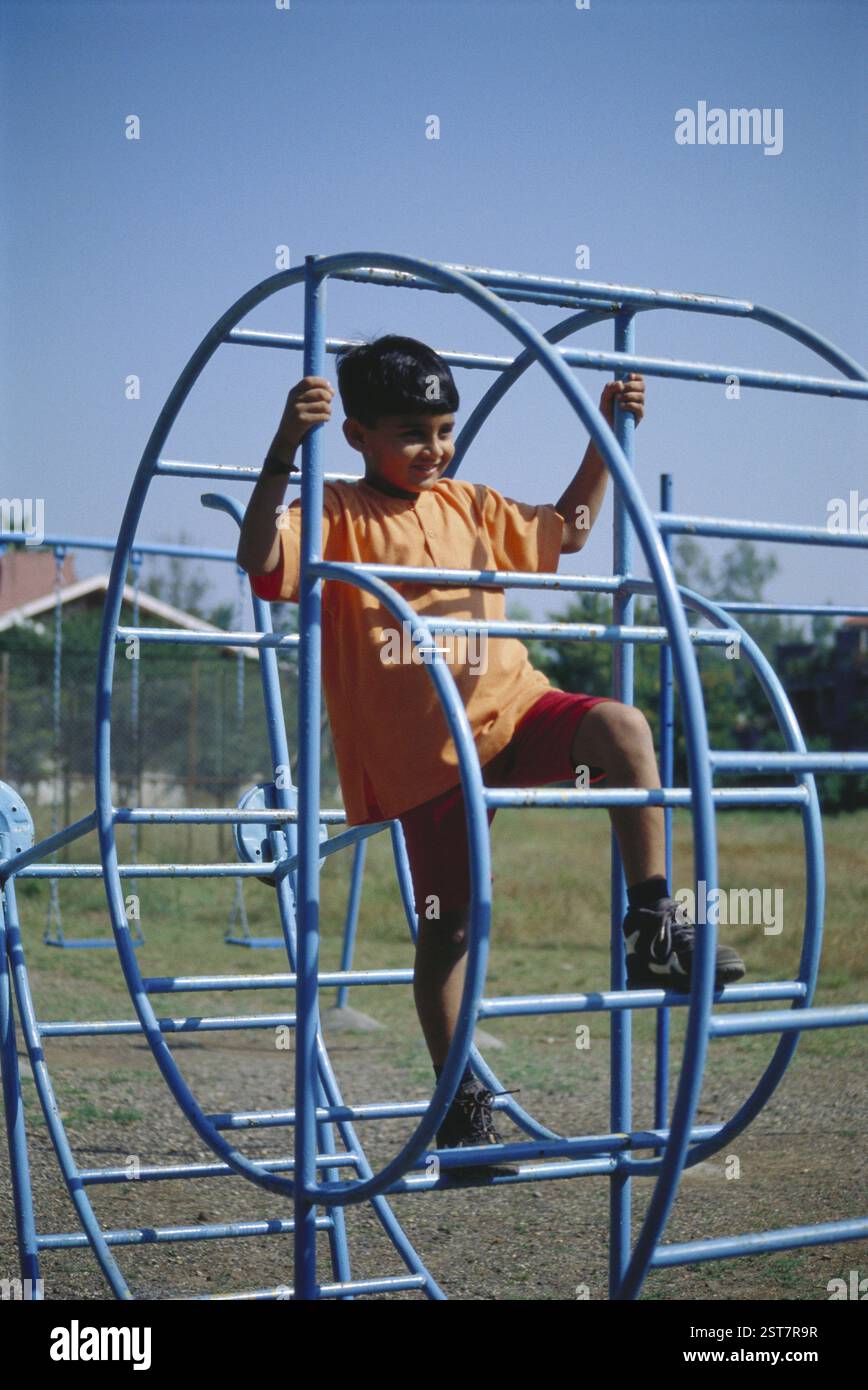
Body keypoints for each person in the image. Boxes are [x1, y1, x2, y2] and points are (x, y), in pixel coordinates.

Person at [236, 335, 745, 1174]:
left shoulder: (467, 502)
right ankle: (460, 1101)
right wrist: (283, 451)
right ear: (357, 434)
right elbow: (258, 558)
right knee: (451, 930)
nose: (434, 448)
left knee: (624, 731)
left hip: (513, 715)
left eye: (444, 428)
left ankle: (651, 922)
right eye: (411, 432)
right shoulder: (335, 511)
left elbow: (571, 532)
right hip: (424, 760)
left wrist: (605, 439)